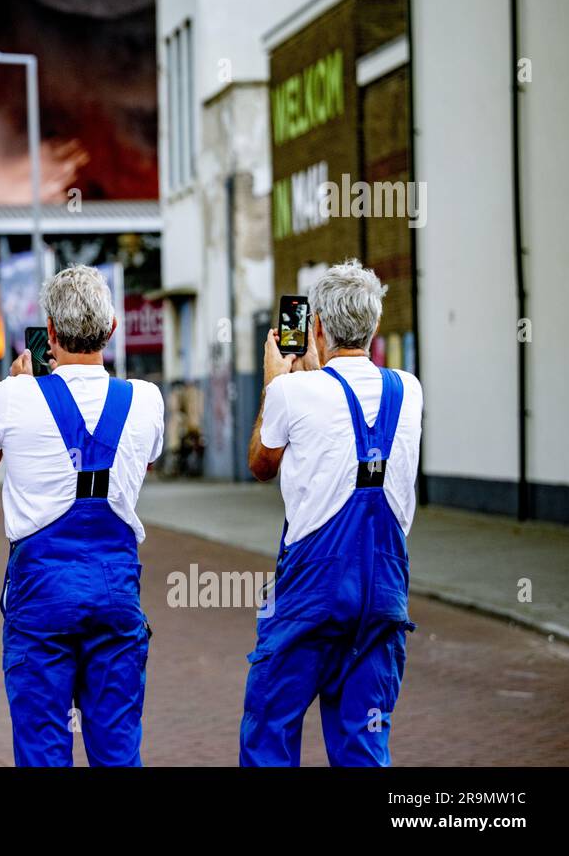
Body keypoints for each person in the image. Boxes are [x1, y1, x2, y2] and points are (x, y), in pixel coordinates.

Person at [0, 265, 165, 766]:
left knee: (41, 745)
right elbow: (143, 460)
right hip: (115, 590)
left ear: (50, 334)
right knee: (118, 746)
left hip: (41, 595)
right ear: (112, 330)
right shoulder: (146, 399)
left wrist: (20, 388)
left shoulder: (14, 396)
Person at [243, 258, 423, 766]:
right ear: (375, 326)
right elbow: (345, 407)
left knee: (270, 735)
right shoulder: (407, 390)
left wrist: (274, 382)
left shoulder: (292, 391)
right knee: (362, 742)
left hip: (310, 595)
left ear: (316, 327)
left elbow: (261, 463)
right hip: (383, 593)